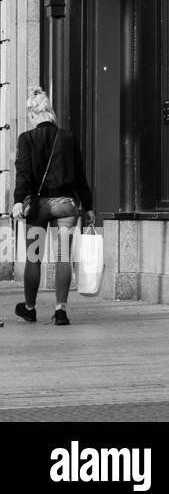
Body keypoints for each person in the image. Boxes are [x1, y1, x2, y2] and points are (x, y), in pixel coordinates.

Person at [12, 87, 94, 325]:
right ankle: (61, 310)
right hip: (66, 206)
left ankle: (29, 308)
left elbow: (24, 174)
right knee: (63, 258)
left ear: (32, 114)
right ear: (50, 111)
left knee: (33, 258)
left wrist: (19, 200)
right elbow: (80, 175)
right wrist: (88, 206)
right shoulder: (68, 138)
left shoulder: (26, 139)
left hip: (38, 208)